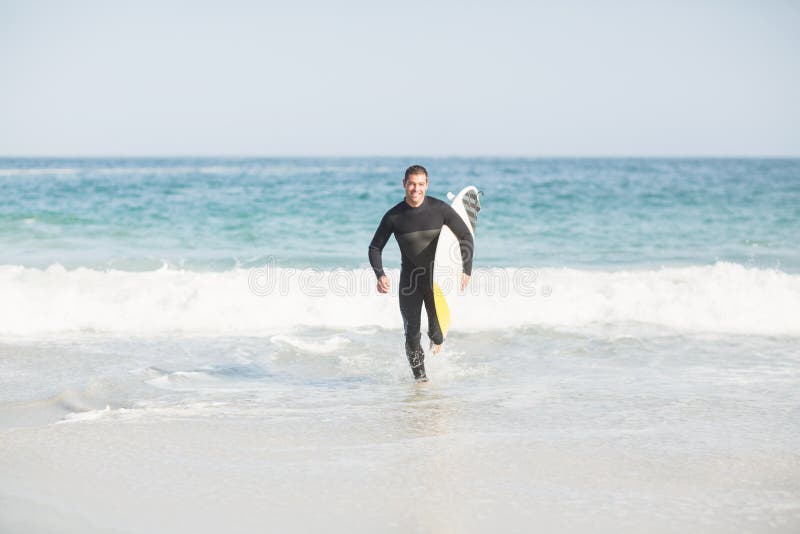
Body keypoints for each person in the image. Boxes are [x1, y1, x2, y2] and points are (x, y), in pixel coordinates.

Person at [368, 165, 474, 382]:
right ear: (404, 184)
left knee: (437, 334)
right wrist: (380, 275)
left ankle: (437, 338)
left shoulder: (440, 209)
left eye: (420, 184)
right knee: (411, 335)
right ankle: (421, 380)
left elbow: (465, 235)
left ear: (427, 185)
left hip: (436, 283)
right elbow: (374, 248)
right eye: (412, 184)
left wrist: (466, 269)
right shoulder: (394, 216)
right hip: (410, 283)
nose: (416, 189)